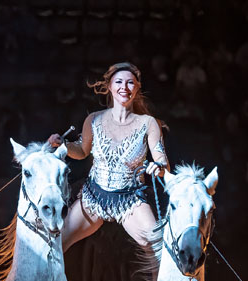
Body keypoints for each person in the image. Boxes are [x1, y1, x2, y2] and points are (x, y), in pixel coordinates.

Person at [48, 62, 169, 252]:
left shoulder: (148, 123)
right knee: (56, 242)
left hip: (131, 201)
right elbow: (82, 151)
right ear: (110, 86)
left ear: (137, 87)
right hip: (94, 196)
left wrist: (159, 167)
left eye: (130, 83)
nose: (124, 87)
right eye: (119, 82)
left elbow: (163, 164)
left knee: (159, 248)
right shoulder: (94, 120)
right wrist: (63, 145)